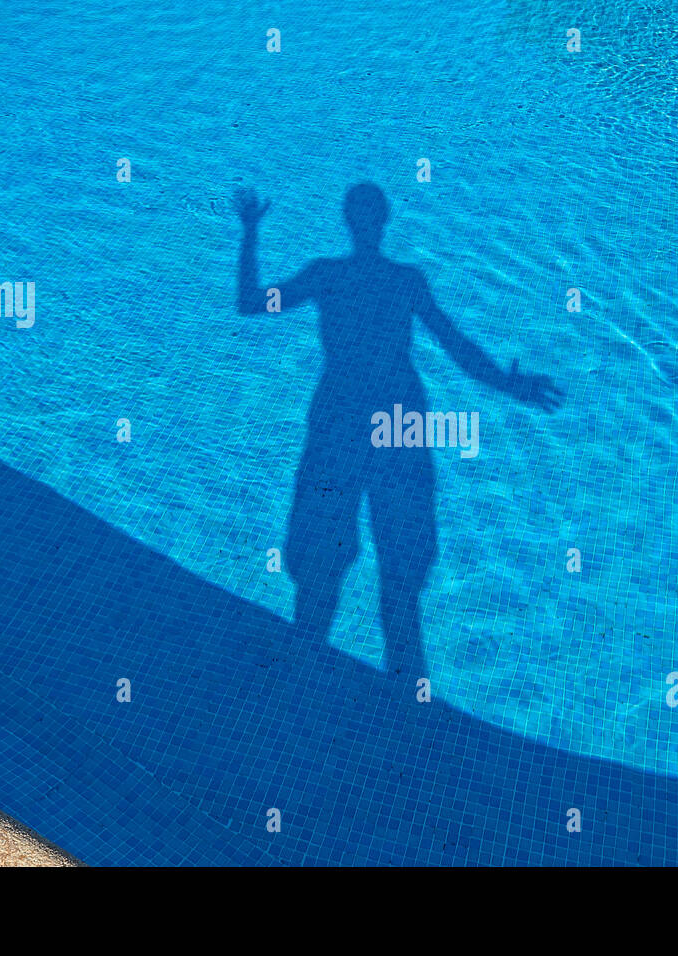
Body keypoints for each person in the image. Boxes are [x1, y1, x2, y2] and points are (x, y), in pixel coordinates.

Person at [235, 183, 563, 680]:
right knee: (401, 572)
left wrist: (251, 233)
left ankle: (304, 679)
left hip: (341, 419)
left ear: (348, 219)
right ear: (383, 219)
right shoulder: (405, 281)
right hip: (396, 420)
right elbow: (456, 345)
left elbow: (250, 303)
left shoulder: (328, 275)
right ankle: (407, 703)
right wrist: (507, 384)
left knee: (323, 564)